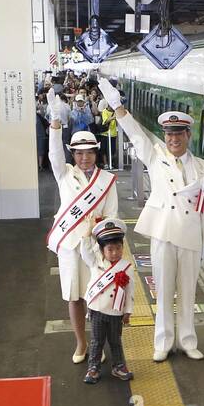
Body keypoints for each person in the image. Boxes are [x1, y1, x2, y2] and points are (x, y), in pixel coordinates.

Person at [99, 79, 204, 362]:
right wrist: (117, 107)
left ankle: (188, 341)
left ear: (189, 135)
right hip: (163, 234)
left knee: (188, 292)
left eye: (179, 135)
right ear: (165, 136)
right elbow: (136, 134)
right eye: (169, 135)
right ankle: (163, 342)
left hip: (190, 236)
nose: (173, 140)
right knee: (163, 292)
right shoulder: (155, 156)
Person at [48, 96, 120, 362]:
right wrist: (55, 121)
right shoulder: (64, 174)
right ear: (73, 155)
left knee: (99, 297)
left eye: (89, 152)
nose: (84, 157)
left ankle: (99, 344)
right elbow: (54, 153)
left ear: (96, 153)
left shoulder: (107, 181)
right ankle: (81, 344)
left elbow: (112, 214)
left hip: (98, 247)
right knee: (74, 296)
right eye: (79, 153)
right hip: (70, 245)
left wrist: (102, 233)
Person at [80, 218, 134, 384]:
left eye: (118, 248)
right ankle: (93, 368)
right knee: (97, 341)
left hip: (116, 312)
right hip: (96, 310)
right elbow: (86, 251)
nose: (115, 253)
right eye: (110, 249)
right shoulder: (95, 263)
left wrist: (128, 311)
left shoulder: (127, 266)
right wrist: (88, 232)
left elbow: (130, 291)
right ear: (102, 250)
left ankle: (119, 366)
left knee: (115, 341)